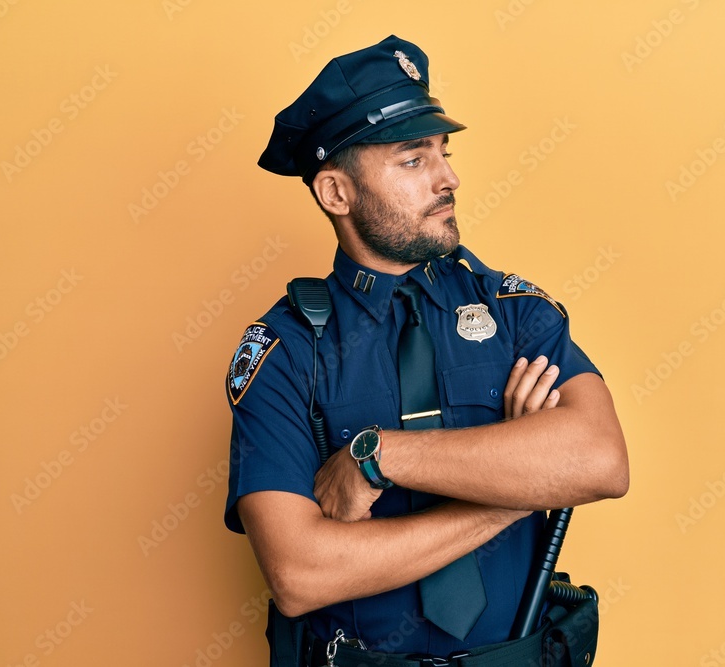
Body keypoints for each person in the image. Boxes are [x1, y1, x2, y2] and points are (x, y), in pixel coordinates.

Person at [223, 35, 629, 666]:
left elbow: (600, 460)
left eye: (444, 152)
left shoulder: (513, 313)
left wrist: (380, 455)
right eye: (413, 160)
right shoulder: (288, 350)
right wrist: (514, 491)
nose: (448, 179)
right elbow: (300, 575)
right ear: (336, 194)